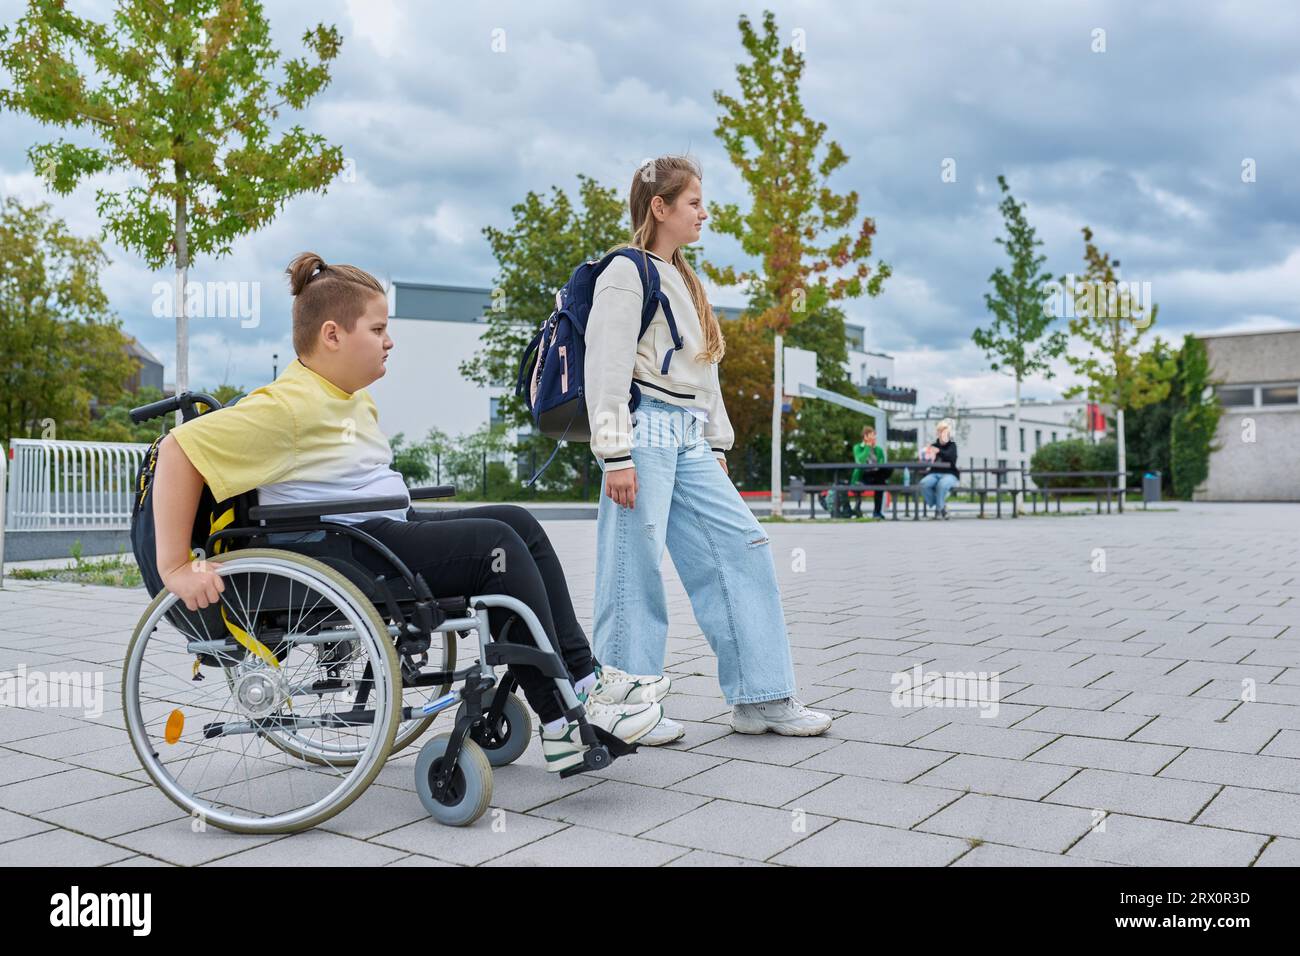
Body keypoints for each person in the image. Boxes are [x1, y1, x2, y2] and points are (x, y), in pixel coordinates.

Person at [151, 252, 666, 774]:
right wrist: (175, 565)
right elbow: (178, 449)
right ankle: (564, 720)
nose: (389, 341)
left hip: (377, 529)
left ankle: (583, 678)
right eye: (377, 329)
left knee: (518, 522)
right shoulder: (285, 406)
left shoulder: (346, 396)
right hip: (346, 549)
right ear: (332, 335)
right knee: (496, 548)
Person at [584, 155, 832, 743]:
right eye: (693, 202)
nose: (704, 211)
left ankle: (761, 696)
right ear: (660, 207)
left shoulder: (688, 280)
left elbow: (706, 372)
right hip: (643, 429)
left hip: (688, 435)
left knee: (742, 547)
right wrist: (614, 452)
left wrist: (716, 441)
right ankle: (624, 709)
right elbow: (607, 364)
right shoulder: (626, 271)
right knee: (632, 566)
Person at [919, 418, 960, 519]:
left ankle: (939, 510)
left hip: (949, 474)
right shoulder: (933, 446)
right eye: (940, 431)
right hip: (934, 473)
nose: (943, 434)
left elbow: (951, 458)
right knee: (923, 484)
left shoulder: (952, 445)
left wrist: (938, 451)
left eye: (945, 432)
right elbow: (927, 462)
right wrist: (926, 455)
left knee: (942, 485)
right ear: (938, 433)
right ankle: (941, 506)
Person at [851, 424, 892, 519]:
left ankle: (877, 512)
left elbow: (881, 464)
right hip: (863, 476)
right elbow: (860, 461)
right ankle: (873, 512)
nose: (874, 439)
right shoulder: (858, 447)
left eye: (874, 436)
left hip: (876, 475)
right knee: (880, 483)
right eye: (871, 436)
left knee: (883, 477)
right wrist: (867, 447)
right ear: (865, 437)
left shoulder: (878, 450)